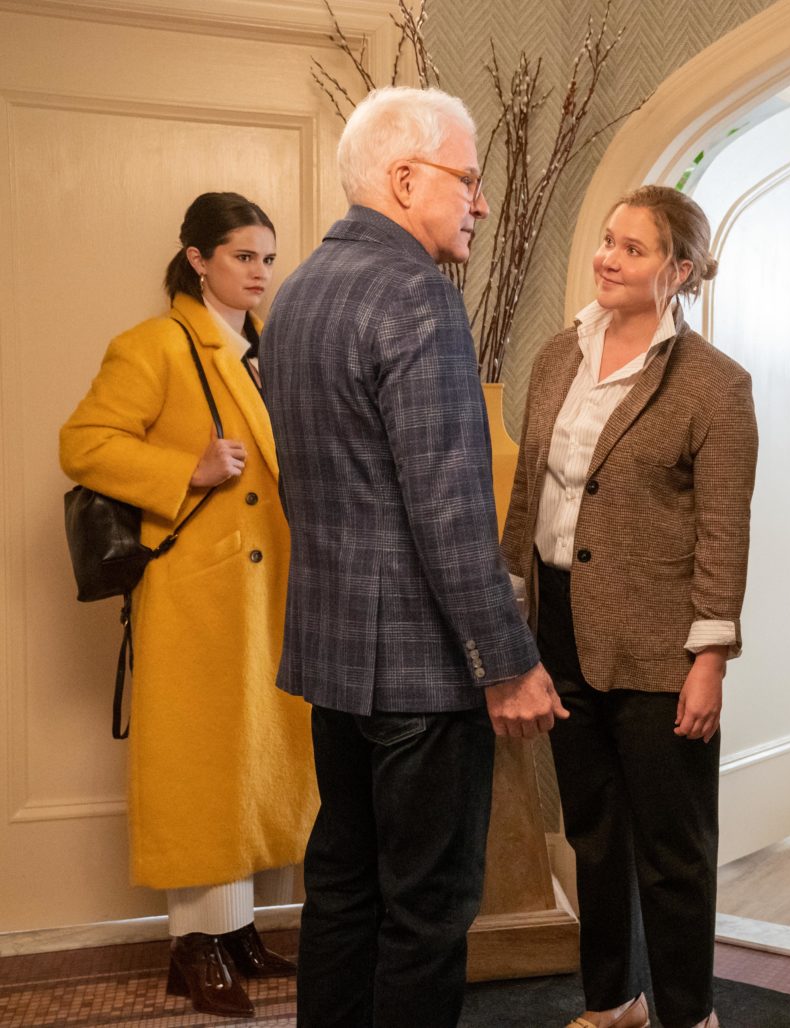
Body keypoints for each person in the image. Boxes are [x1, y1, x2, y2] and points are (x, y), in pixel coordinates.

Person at [260, 86, 562, 1028]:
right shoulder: (416, 295)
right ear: (403, 179)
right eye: (467, 179)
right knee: (427, 911)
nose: (481, 202)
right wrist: (508, 663)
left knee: (343, 889)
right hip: (422, 676)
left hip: (335, 661)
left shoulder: (298, 291)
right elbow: (449, 511)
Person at [500, 185, 757, 1028]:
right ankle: (614, 1001)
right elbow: (527, 494)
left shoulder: (716, 385)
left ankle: (689, 1014)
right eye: (608, 240)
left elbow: (723, 532)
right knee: (593, 832)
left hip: (658, 644)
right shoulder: (556, 357)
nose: (607, 258)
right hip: (558, 628)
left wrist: (708, 661)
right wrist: (508, 622)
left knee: (673, 850)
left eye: (632, 248)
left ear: (678, 271)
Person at [60, 192, 316, 1019]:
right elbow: (84, 443)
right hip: (197, 594)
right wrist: (186, 471)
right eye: (243, 256)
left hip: (264, 590)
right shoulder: (156, 345)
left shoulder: (265, 349)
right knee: (200, 767)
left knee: (246, 763)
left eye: (268, 258)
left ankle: (233, 932)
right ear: (198, 259)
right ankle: (192, 948)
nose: (260, 273)